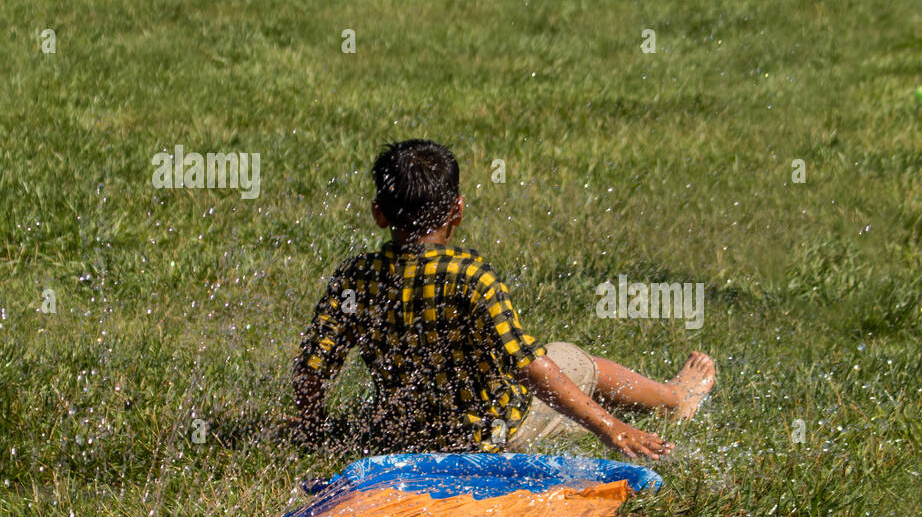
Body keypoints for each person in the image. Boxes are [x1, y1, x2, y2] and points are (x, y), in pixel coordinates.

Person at [292, 140, 714, 461]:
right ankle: (675, 401)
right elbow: (530, 367)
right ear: (457, 211)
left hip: (405, 438)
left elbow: (313, 370)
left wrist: (310, 430)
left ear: (379, 214)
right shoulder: (471, 277)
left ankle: (656, 402)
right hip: (490, 438)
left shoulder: (354, 279)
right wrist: (611, 428)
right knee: (571, 359)